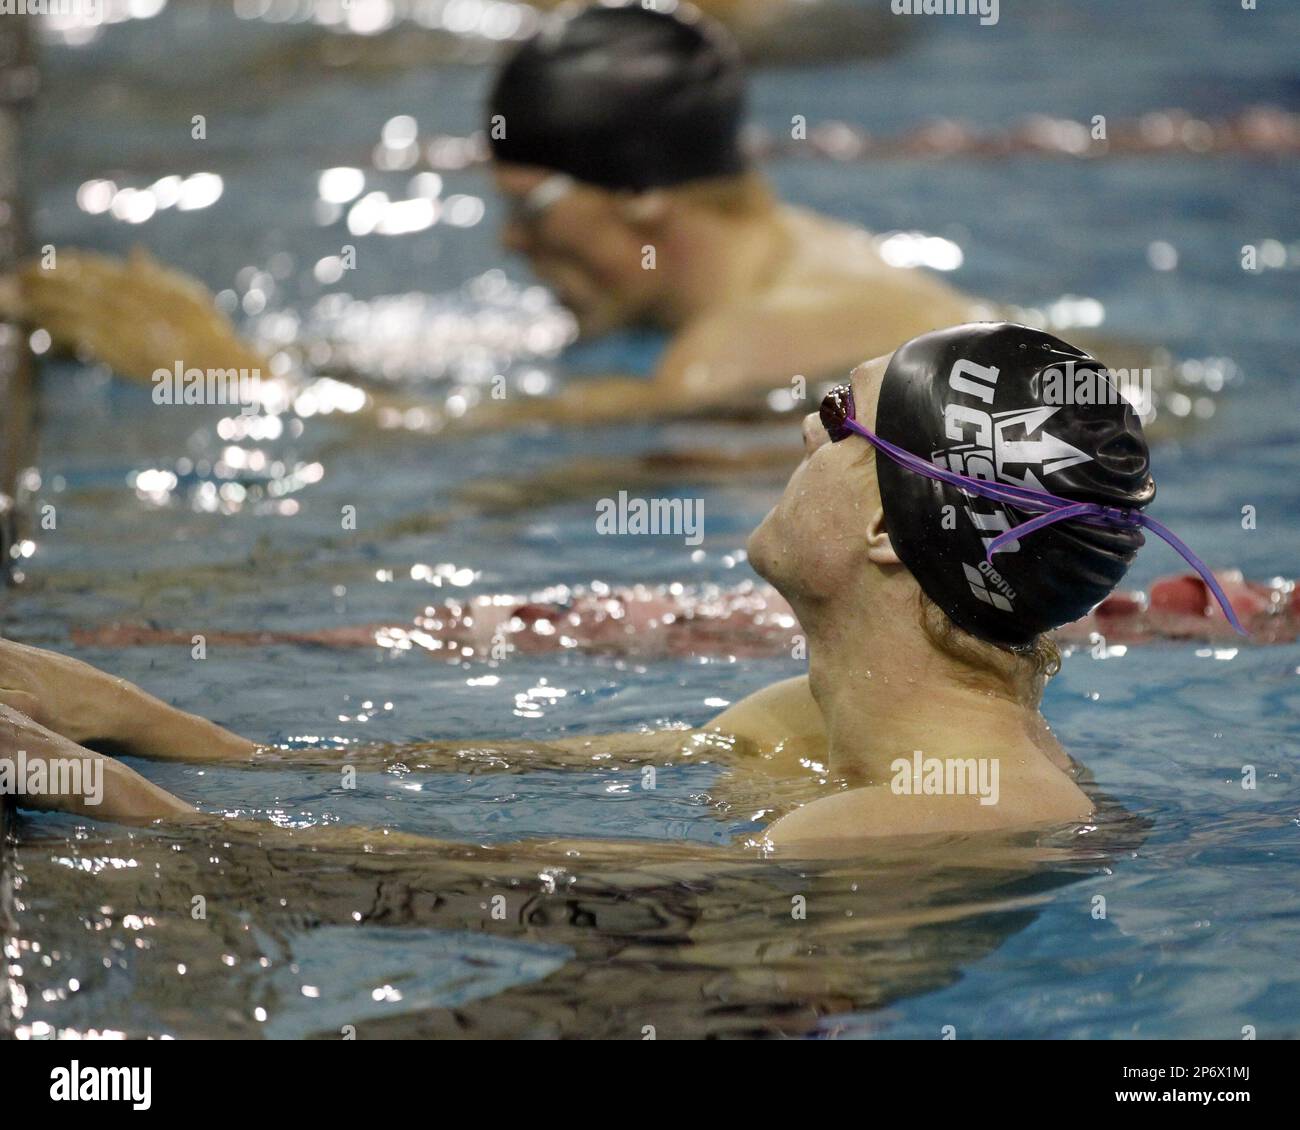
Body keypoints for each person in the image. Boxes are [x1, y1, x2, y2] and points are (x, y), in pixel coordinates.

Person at [0, 323, 1240, 853]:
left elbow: (497, 886)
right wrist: (106, 716)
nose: (803, 437)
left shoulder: (938, 818)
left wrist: (116, 809)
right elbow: (453, 783)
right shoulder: (800, 722)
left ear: (882, 523)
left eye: (837, 420)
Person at [0, 3, 984, 429]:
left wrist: (232, 379)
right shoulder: (796, 251)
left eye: (529, 208)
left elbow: (485, 440)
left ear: (641, 196)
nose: (511, 242)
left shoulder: (727, 355)